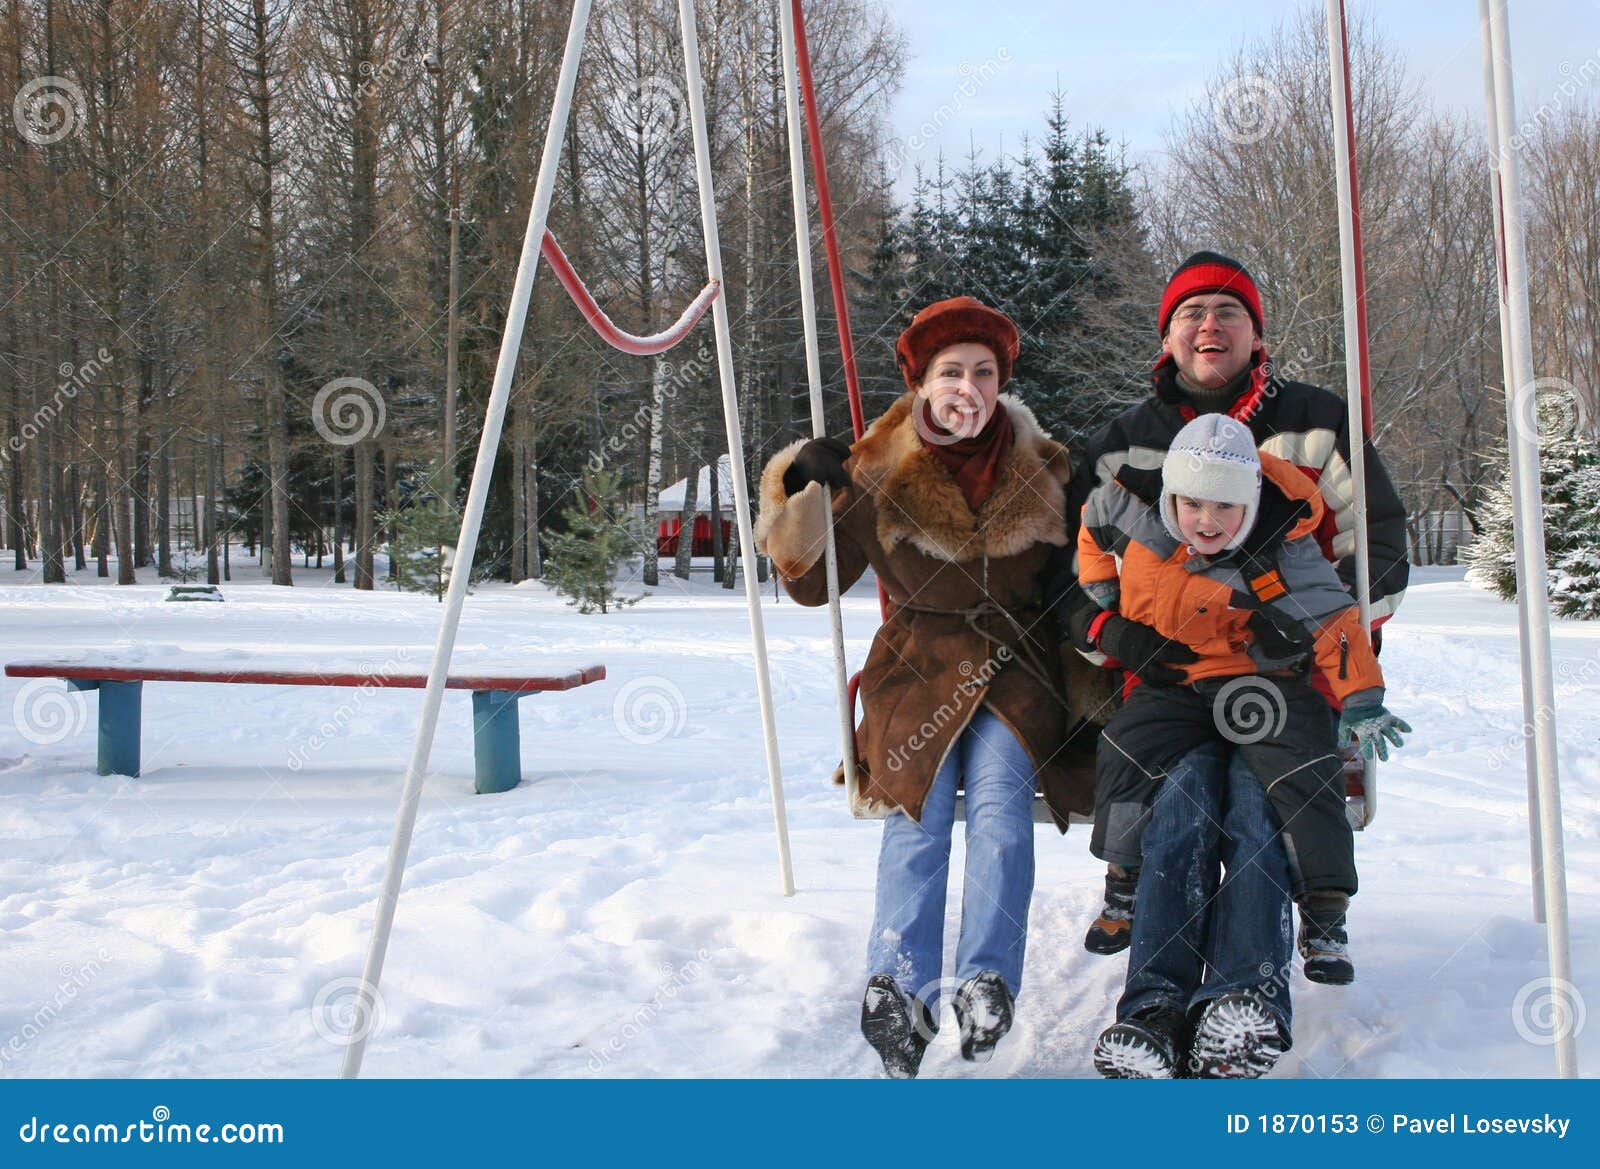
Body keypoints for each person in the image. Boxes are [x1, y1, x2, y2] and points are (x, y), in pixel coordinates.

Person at [754, 296, 1105, 1078]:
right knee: (919, 809)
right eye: (952, 371)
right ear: (921, 381)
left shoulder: (1046, 466)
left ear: (1001, 380)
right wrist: (805, 490)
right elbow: (811, 585)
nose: (968, 387)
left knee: (1000, 804)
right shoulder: (876, 466)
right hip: (915, 667)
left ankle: (985, 982)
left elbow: (1072, 581)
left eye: (983, 372)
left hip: (1015, 668)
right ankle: (897, 986)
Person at [1050, 250, 1411, 974]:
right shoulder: (1122, 443)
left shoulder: (1315, 419)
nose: (1209, 326)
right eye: (1191, 312)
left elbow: (1380, 548)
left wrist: (1324, 652)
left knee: (1259, 795)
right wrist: (1110, 630)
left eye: (1228, 311)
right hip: (1168, 673)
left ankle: (1271, 963)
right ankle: (1149, 969)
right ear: (1166, 336)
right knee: (1175, 789)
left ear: (1256, 334)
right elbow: (1071, 560)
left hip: (1287, 677)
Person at [1077, 413, 1410, 1009]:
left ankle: (1326, 910)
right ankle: (1123, 879)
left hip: (1264, 683)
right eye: (1193, 505)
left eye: (1226, 509)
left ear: (1252, 502)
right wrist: (1104, 593)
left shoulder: (1283, 544)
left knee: (1304, 768)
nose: (1207, 522)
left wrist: (1362, 698)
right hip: (1174, 680)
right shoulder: (1139, 514)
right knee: (1126, 747)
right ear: (1171, 495)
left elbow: (1335, 625)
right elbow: (1093, 522)